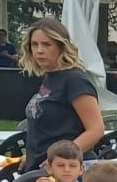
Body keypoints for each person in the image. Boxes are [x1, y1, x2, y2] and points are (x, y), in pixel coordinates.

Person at [20, 17, 105, 172]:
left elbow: (96, 129)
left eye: (46, 44)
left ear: (61, 46)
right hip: (40, 168)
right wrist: (32, 156)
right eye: (34, 44)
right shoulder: (50, 77)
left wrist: (62, 158)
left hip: (67, 173)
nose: (39, 50)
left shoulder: (74, 80)